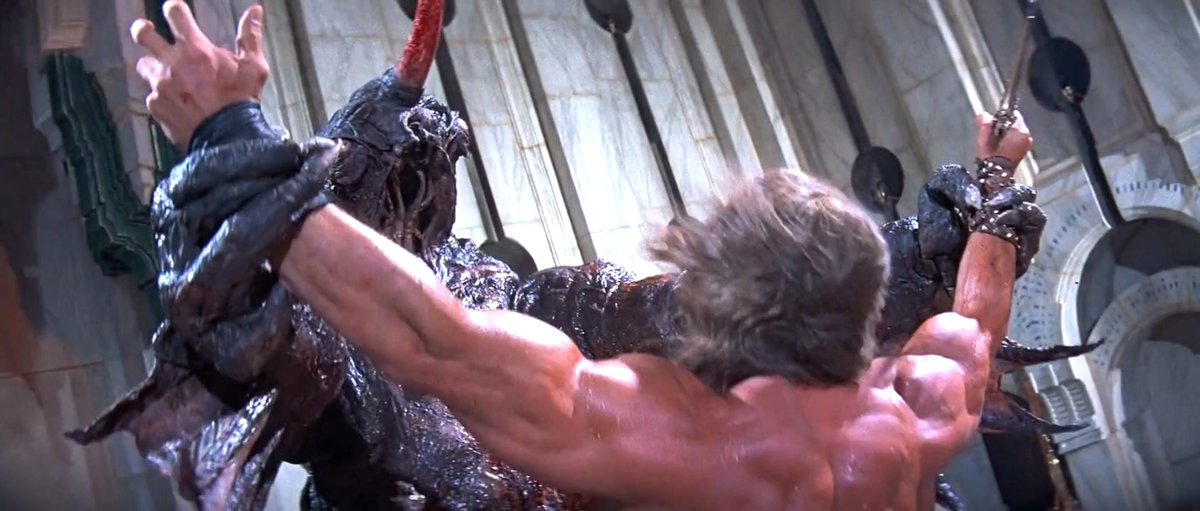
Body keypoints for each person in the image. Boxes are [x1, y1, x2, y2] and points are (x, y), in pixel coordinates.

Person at [133, 2, 1038, 509]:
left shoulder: (716, 446)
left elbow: (437, 345)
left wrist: (231, 137)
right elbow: (979, 319)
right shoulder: (920, 395)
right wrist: (995, 181)